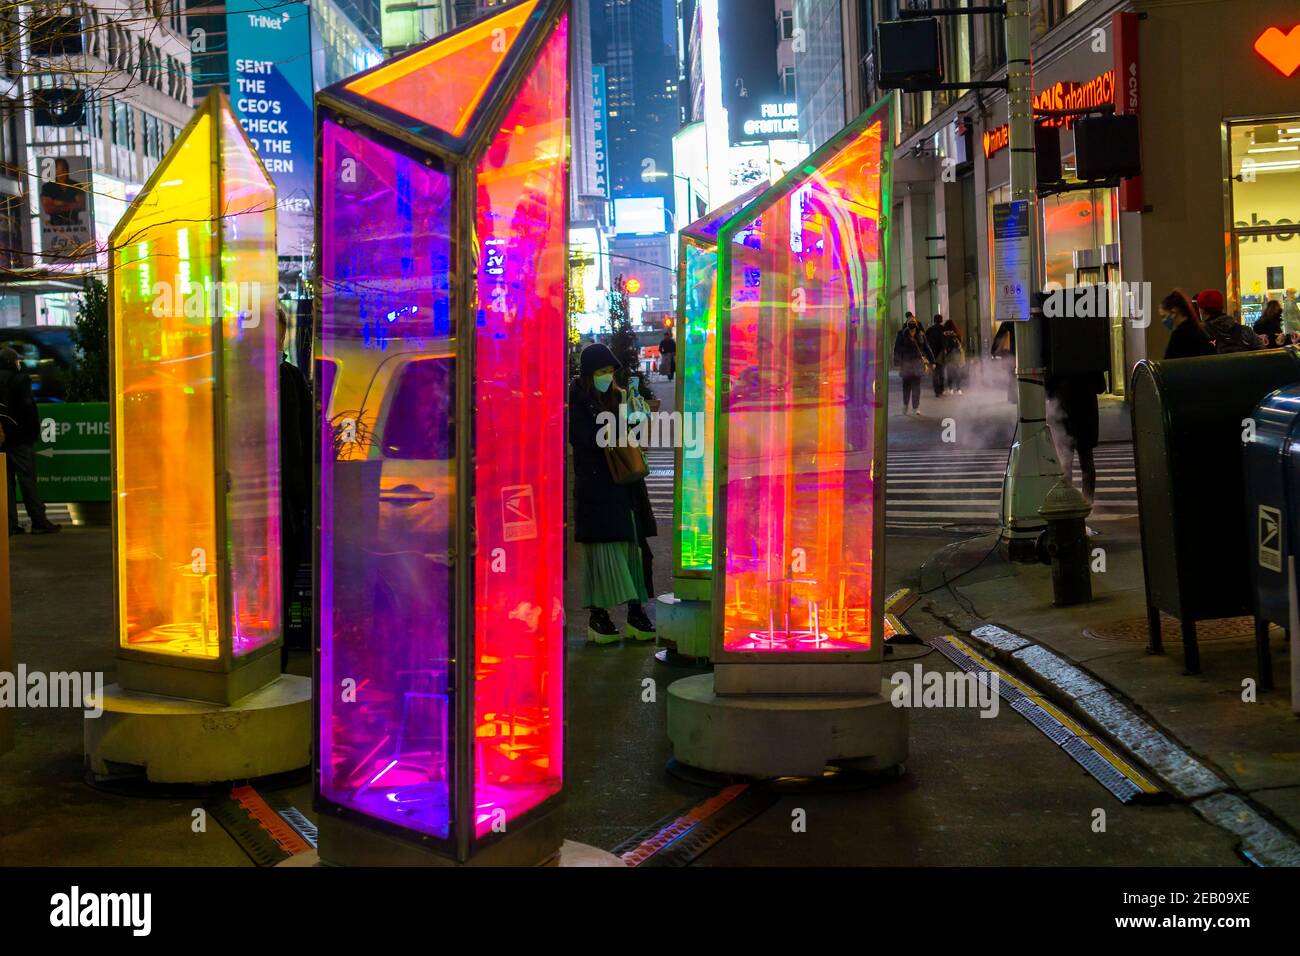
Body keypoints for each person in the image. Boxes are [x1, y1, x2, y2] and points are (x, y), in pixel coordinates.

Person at [569, 343, 657, 644]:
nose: (607, 376)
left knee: (634, 548)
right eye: (602, 371)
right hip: (597, 490)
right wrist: (621, 425)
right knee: (604, 553)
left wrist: (637, 419)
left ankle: (636, 611)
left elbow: (628, 440)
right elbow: (585, 438)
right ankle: (599, 616)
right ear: (590, 372)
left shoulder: (618, 396)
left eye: (610, 371)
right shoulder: (578, 399)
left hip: (625, 485)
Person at [277, 308, 313, 652]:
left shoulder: (292, 378)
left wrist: (302, 496)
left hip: (286, 501)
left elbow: (305, 436)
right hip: (254, 502)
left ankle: (279, 654)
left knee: (284, 581)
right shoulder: (243, 380)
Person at [0, 348, 58, 534]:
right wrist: (32, 432)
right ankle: (38, 521)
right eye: (17, 360)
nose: (19, 363)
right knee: (27, 479)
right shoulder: (21, 379)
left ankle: (9, 524)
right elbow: (27, 408)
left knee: (6, 482)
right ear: (12, 362)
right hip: (19, 438)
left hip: (1, 439)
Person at [1046, 370, 1105, 504]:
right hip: (1086, 414)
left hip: (1064, 412)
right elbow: (1101, 387)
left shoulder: (1058, 357)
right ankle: (1088, 501)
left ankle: (1067, 501)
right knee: (1087, 461)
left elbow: (1048, 388)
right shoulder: (1089, 360)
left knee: (1065, 463)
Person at [1197, 289, 1261, 353]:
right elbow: (1262, 354)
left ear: (1202, 310)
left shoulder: (1200, 333)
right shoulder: (1246, 331)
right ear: (1222, 307)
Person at [892, 315, 933, 416]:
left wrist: (933, 360)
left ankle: (915, 407)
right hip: (906, 363)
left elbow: (927, 348)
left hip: (917, 364)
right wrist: (897, 361)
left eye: (913, 321)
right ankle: (905, 405)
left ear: (916, 324)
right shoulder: (901, 335)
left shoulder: (921, 335)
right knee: (906, 386)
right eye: (910, 321)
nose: (912, 323)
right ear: (906, 323)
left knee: (916, 387)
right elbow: (897, 349)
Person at [1161, 289, 1215, 359]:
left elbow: (1169, 364)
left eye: (1163, 316)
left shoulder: (1179, 335)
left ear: (1173, 313)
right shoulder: (1198, 330)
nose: (1163, 321)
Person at [941, 318, 966, 394]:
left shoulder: (945, 334)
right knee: (957, 372)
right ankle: (959, 389)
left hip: (950, 355)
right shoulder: (957, 333)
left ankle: (950, 388)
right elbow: (962, 343)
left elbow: (944, 344)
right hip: (958, 355)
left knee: (950, 372)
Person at [925, 314, 948, 396]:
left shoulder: (929, 330)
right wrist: (945, 349)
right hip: (941, 355)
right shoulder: (944, 329)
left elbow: (925, 342)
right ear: (941, 320)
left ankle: (936, 391)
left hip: (932, 354)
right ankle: (941, 389)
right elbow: (945, 341)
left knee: (934, 373)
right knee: (941, 372)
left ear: (934, 320)